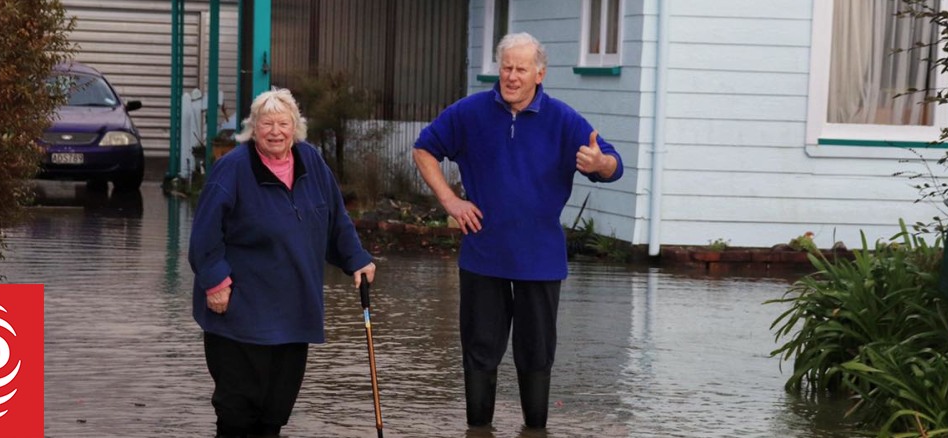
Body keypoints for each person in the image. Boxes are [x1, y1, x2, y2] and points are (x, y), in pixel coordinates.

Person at [412, 32, 624, 430]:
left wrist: (598, 164)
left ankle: (536, 429)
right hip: (483, 254)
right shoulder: (469, 112)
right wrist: (450, 201)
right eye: (506, 67)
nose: (511, 76)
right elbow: (424, 149)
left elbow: (614, 163)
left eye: (521, 69)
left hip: (540, 259)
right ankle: (478, 429)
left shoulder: (563, 119)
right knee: (479, 353)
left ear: (539, 74)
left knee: (536, 355)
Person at [189, 88, 376, 438]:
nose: (275, 131)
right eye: (266, 124)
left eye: (282, 123)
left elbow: (334, 218)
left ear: (295, 127)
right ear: (252, 128)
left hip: (293, 308)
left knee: (275, 409)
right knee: (237, 409)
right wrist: (215, 282)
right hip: (240, 310)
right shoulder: (231, 169)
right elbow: (203, 236)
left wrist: (357, 259)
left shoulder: (312, 162)